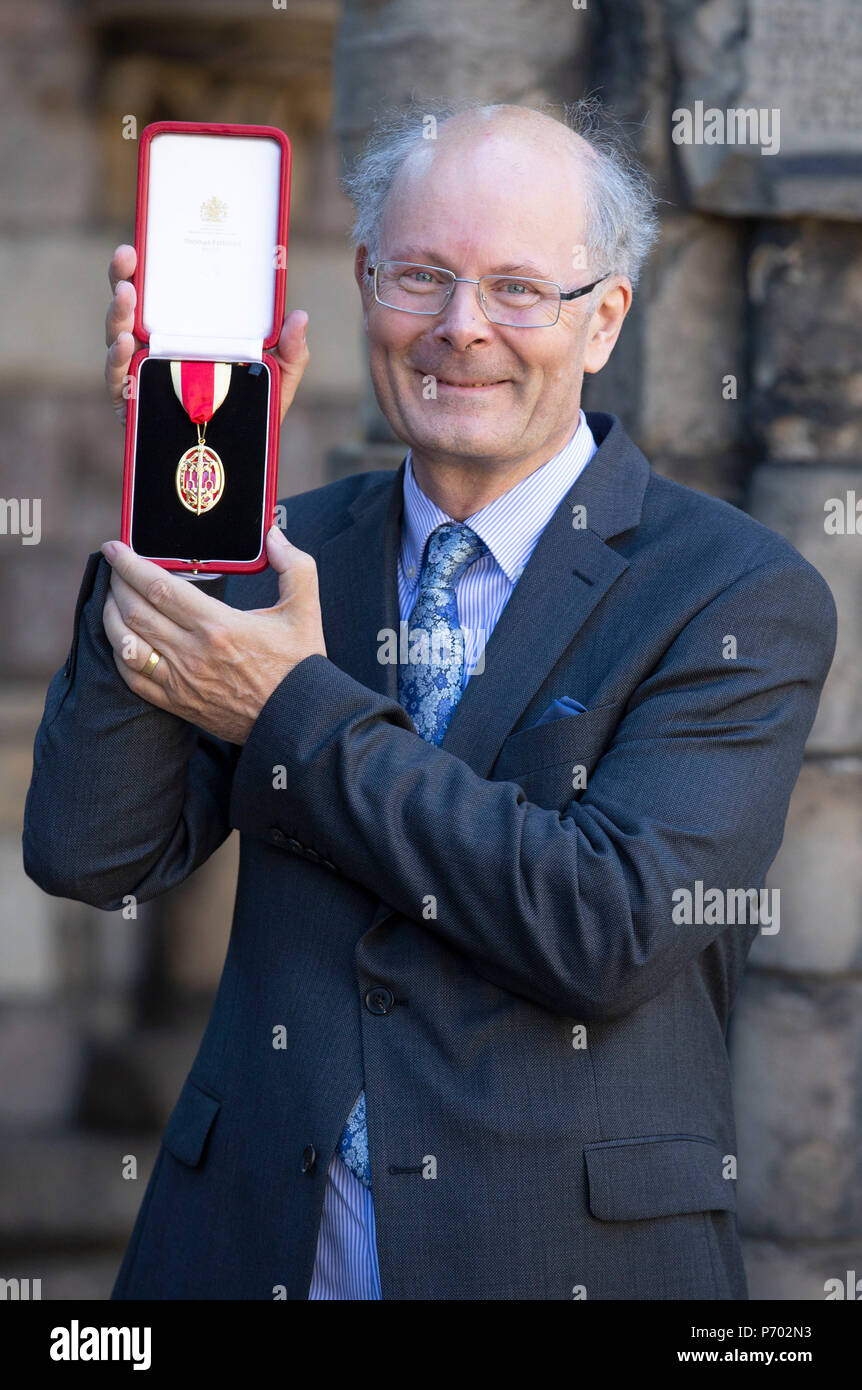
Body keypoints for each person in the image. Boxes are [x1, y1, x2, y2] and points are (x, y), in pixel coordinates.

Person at [23, 101, 836, 1300]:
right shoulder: (279, 544)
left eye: (519, 289)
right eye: (420, 276)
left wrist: (292, 705)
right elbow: (91, 851)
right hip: (244, 1252)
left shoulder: (735, 591)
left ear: (603, 317)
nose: (461, 329)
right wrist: (175, 492)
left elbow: (603, 927)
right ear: (362, 283)